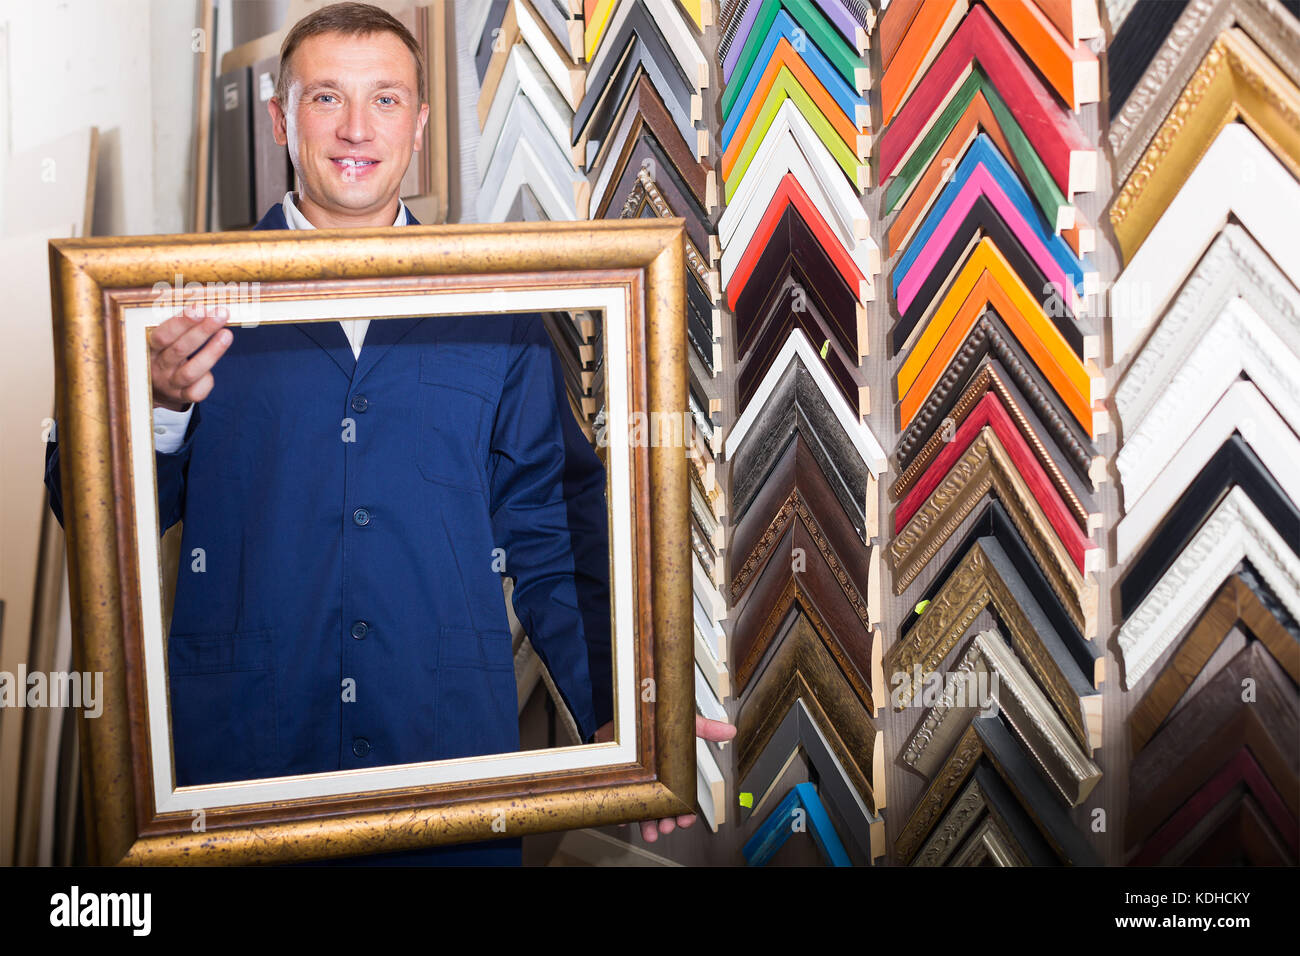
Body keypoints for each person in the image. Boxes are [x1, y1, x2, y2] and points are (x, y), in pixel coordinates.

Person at [43, 2, 733, 865]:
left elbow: (553, 532)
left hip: (446, 762)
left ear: (421, 124)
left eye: (387, 100)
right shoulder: (177, 299)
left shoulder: (497, 306)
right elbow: (85, 512)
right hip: (242, 766)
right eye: (326, 98)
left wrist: (621, 708)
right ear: (280, 119)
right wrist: (158, 405)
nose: (357, 128)